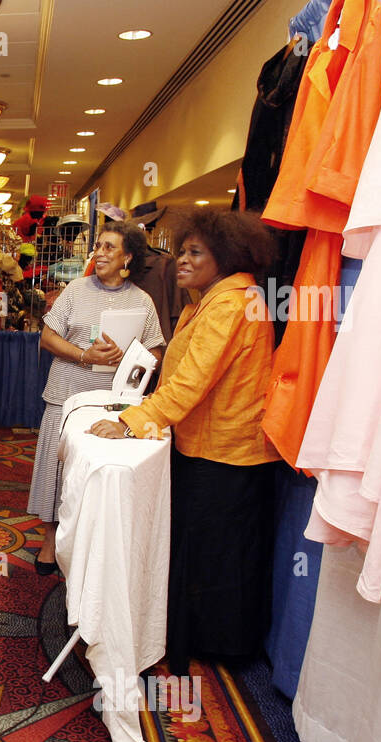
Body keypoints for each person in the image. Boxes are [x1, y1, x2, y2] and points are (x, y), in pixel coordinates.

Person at [87, 208, 280, 674]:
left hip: (229, 454)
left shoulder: (232, 304)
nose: (182, 262)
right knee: (208, 551)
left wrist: (136, 420)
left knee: (220, 555)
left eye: (195, 253)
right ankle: (207, 637)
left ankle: (222, 646)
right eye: (181, 252)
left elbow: (192, 381)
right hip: (212, 447)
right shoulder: (209, 301)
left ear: (226, 257)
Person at [29, 222, 164, 575]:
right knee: (55, 471)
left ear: (128, 257)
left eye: (109, 248)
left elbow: (156, 351)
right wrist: (85, 355)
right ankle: (48, 540)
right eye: (99, 246)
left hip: (110, 400)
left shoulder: (142, 301)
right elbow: (47, 338)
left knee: (93, 473)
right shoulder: (75, 289)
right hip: (65, 391)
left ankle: (88, 543)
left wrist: (130, 356)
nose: (100, 253)